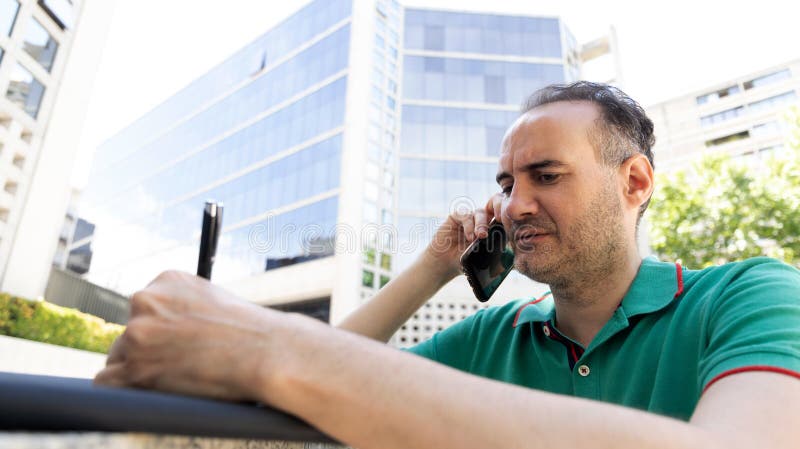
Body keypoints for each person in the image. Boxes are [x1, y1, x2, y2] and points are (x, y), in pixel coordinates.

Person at [95, 82, 800, 449]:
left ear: (635, 182)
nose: (516, 204)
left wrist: (266, 344)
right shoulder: (493, 337)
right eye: (506, 184)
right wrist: (430, 270)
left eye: (546, 175)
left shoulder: (748, 295)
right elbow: (301, 413)